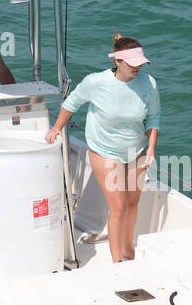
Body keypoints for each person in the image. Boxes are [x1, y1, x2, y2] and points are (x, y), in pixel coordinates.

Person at [44, 34, 160, 263]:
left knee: (132, 203)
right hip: (105, 151)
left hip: (135, 151)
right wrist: (56, 128)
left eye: (140, 64)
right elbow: (72, 102)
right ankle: (117, 262)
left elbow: (154, 118)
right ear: (117, 61)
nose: (138, 68)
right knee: (118, 206)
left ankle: (128, 251)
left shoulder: (149, 84)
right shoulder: (96, 82)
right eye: (132, 64)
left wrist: (151, 149)